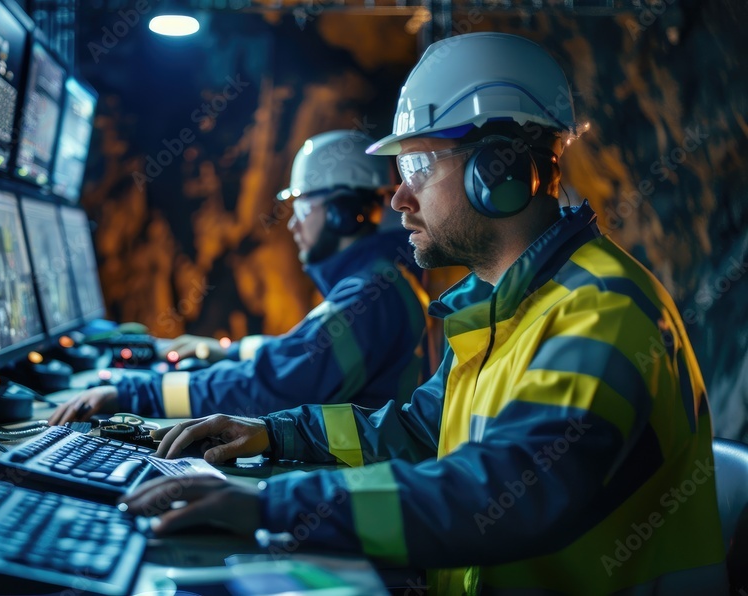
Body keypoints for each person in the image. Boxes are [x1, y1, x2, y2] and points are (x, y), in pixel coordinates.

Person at [119, 32, 727, 594]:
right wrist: (276, 432)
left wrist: (276, 506)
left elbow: (508, 490)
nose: (400, 198)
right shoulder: (505, 309)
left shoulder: (602, 310)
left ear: (500, 170)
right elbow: (415, 432)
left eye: (417, 167)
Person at [48, 130, 429, 424]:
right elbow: (297, 350)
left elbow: (270, 387)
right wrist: (229, 351)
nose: (293, 224)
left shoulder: (369, 296)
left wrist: (135, 392)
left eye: (303, 207)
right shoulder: (378, 282)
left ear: (340, 213)